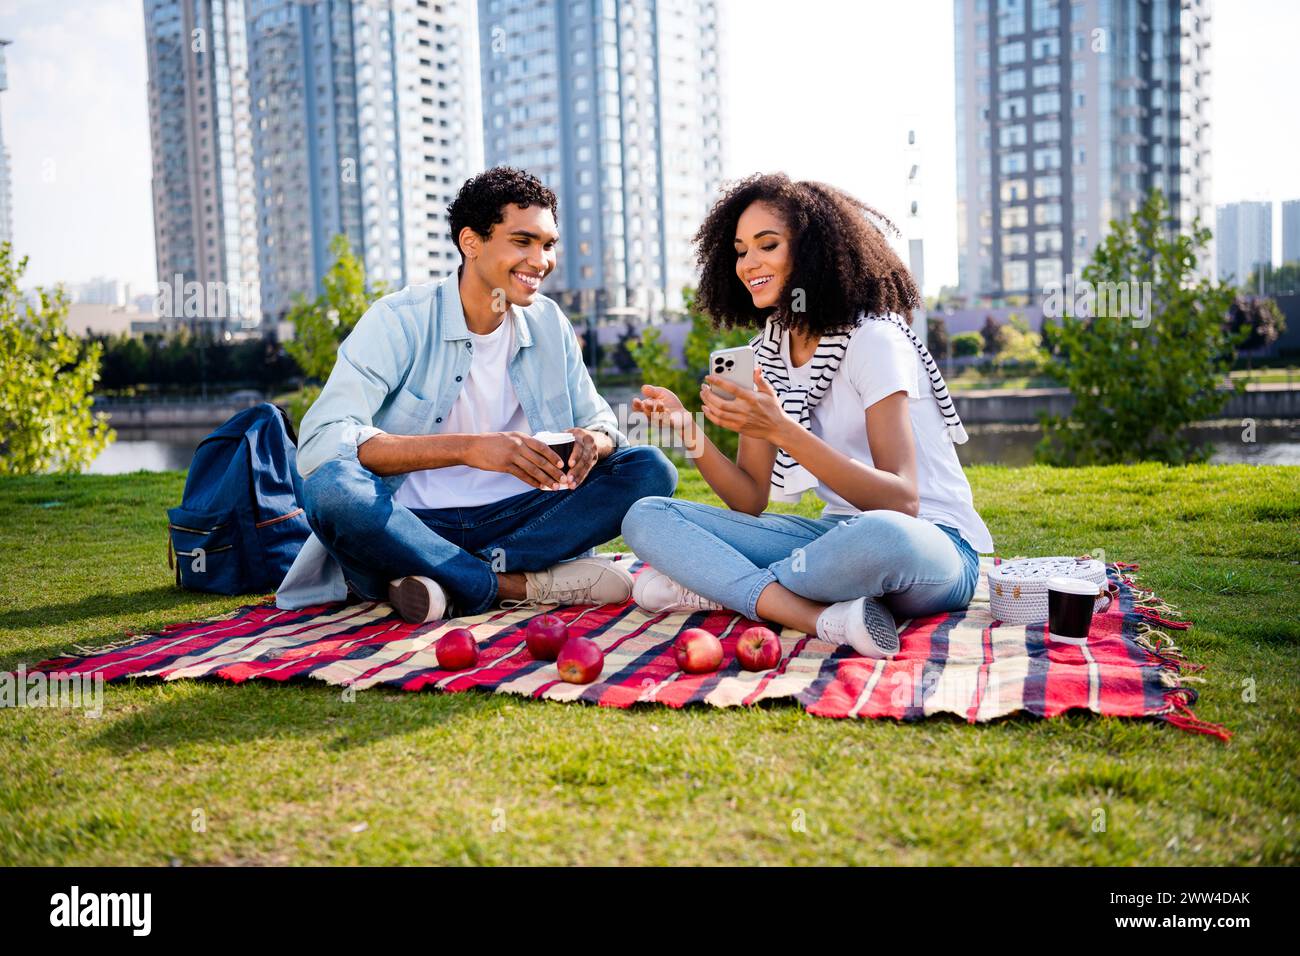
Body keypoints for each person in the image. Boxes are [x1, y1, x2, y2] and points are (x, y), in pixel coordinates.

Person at [276, 166, 677, 621]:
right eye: (522, 241)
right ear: (471, 242)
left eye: (548, 245)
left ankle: (430, 580)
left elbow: (602, 421)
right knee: (331, 488)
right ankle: (510, 585)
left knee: (649, 470)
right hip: (411, 521)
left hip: (524, 520)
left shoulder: (549, 322)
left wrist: (594, 441)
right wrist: (469, 449)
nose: (540, 261)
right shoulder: (399, 320)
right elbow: (320, 442)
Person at [620, 173, 993, 658]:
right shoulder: (767, 355)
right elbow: (750, 499)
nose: (748, 263)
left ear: (813, 252)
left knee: (880, 536)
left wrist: (781, 429)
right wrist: (689, 432)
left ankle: (716, 585)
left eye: (767, 245)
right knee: (647, 516)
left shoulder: (873, 339)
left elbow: (902, 501)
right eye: (739, 250)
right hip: (830, 542)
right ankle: (810, 614)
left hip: (928, 545)